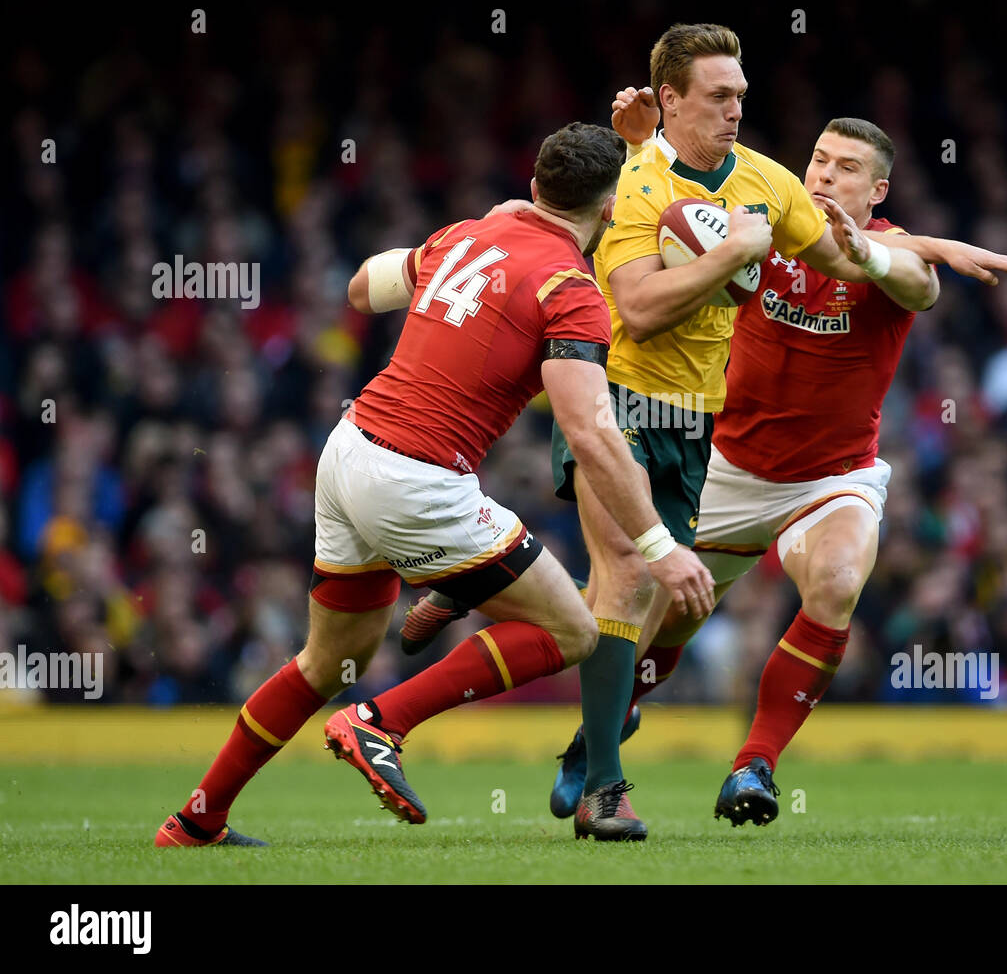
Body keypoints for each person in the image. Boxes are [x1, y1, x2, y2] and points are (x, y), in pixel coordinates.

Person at [405, 25, 1007, 841]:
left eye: (847, 170)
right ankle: (585, 721)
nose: (825, 175)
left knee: (835, 581)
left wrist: (901, 253)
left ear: (879, 193)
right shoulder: (759, 216)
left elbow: (919, 286)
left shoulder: (876, 254)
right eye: (819, 161)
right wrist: (643, 146)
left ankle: (754, 763)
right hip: (726, 461)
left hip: (829, 476)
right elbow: (664, 219)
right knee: (644, 615)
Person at [154, 122, 713, 847]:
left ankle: (196, 819)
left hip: (348, 450)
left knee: (329, 659)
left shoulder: (461, 236)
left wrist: (486, 231)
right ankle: (381, 720)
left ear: (536, 186)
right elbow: (592, 431)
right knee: (572, 628)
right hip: (419, 478)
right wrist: (658, 543)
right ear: (609, 212)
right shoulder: (571, 289)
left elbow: (359, 288)